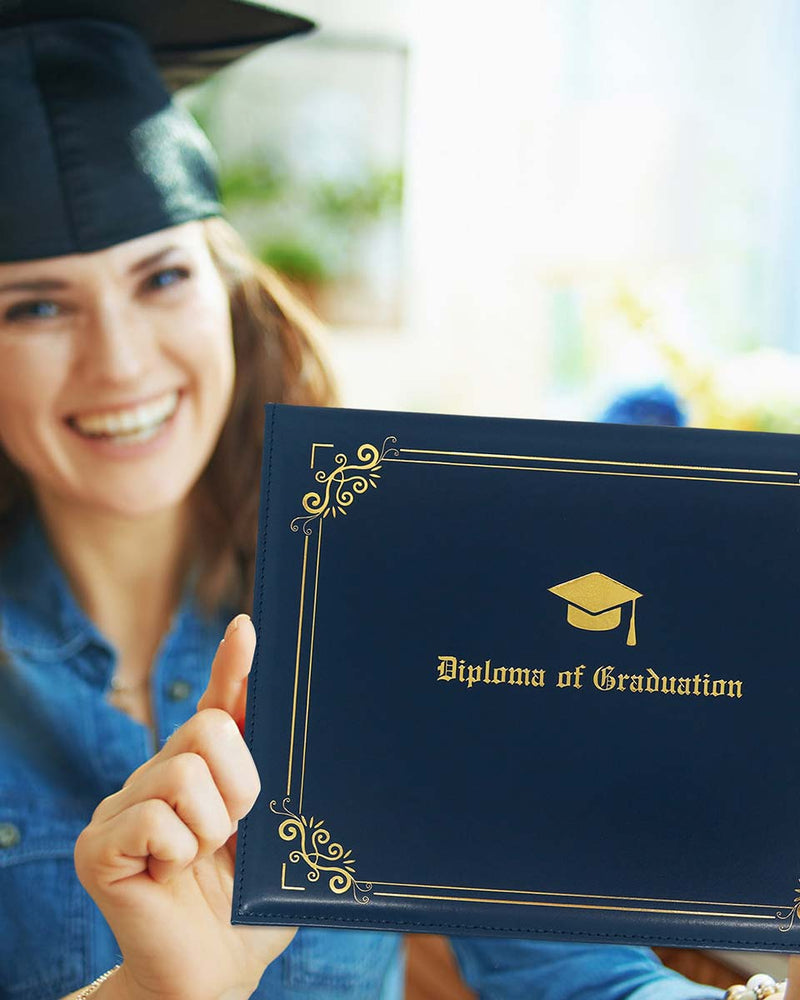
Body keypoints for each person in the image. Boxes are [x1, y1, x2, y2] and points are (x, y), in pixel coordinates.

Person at [0, 2, 778, 998]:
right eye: (37, 305)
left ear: (227, 292)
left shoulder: (397, 612)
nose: (119, 361)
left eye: (162, 278)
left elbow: (574, 972)